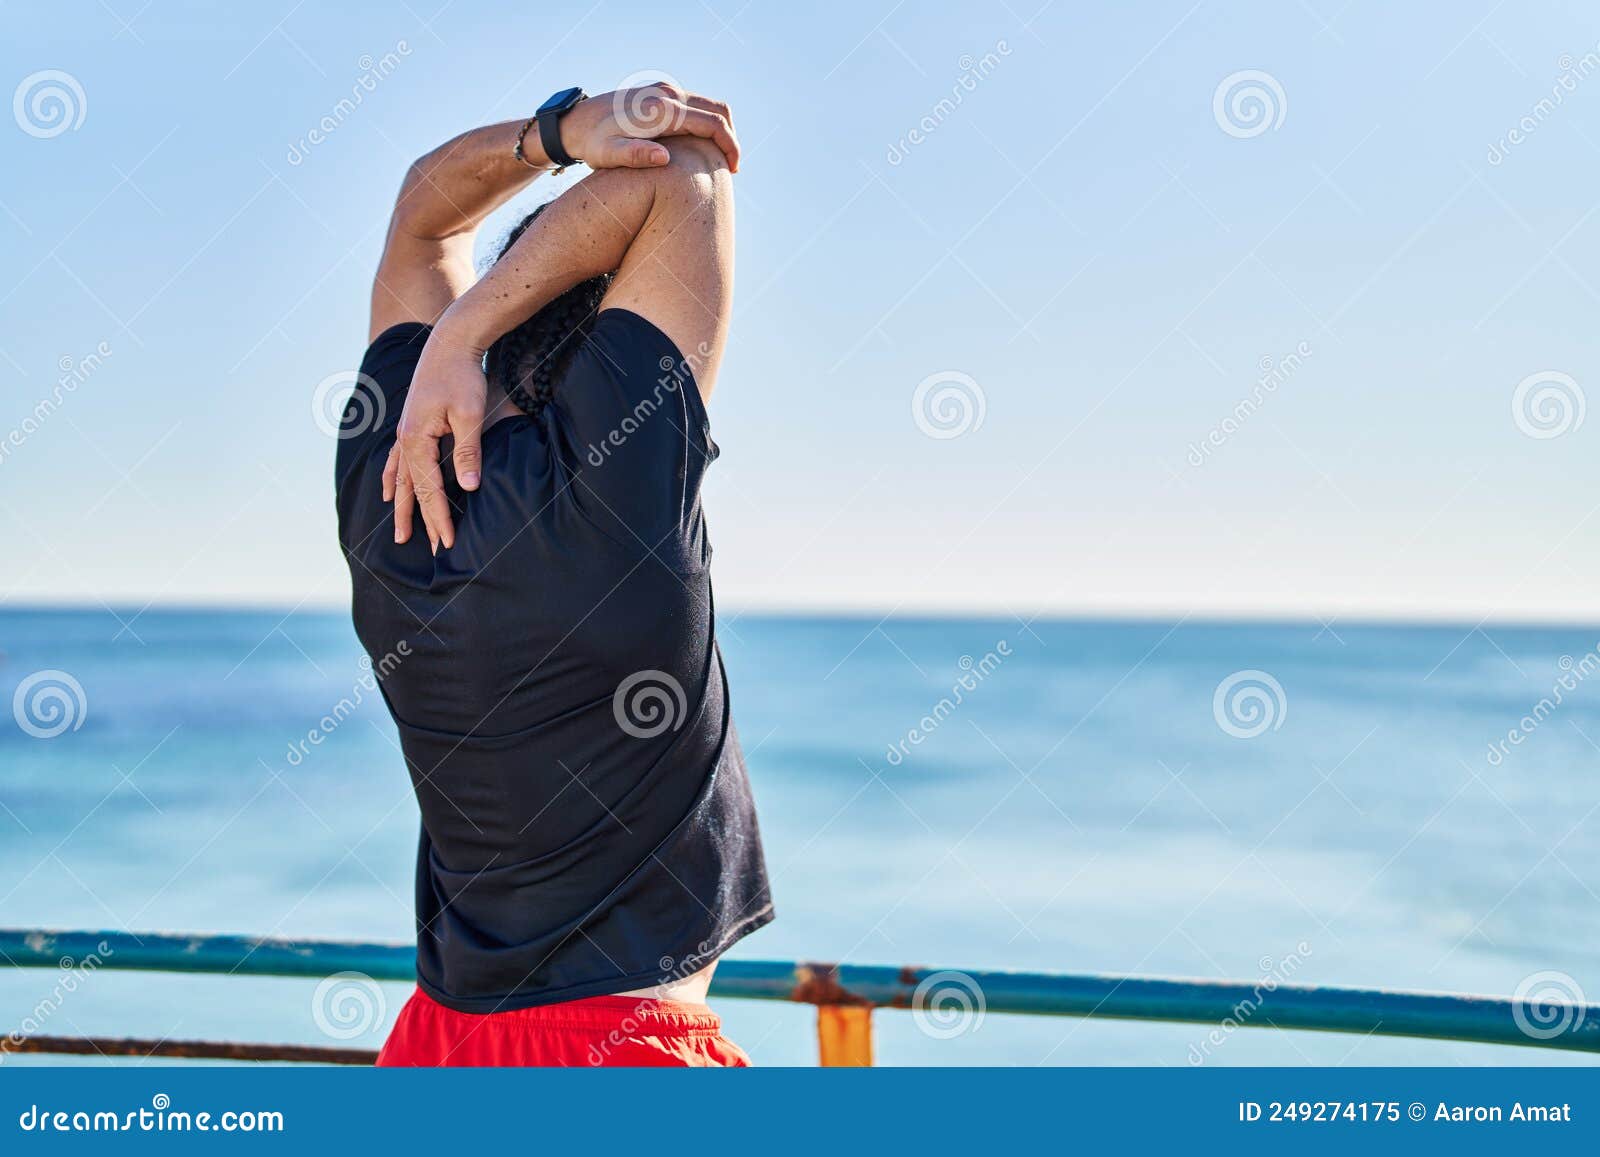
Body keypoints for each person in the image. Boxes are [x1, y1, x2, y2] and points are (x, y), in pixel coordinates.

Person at [333, 82, 772, 1066]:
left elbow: (422, 216)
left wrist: (561, 130)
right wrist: (462, 334)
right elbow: (687, 182)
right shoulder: (619, 495)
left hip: (440, 1043)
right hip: (618, 1057)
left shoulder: (391, 475)